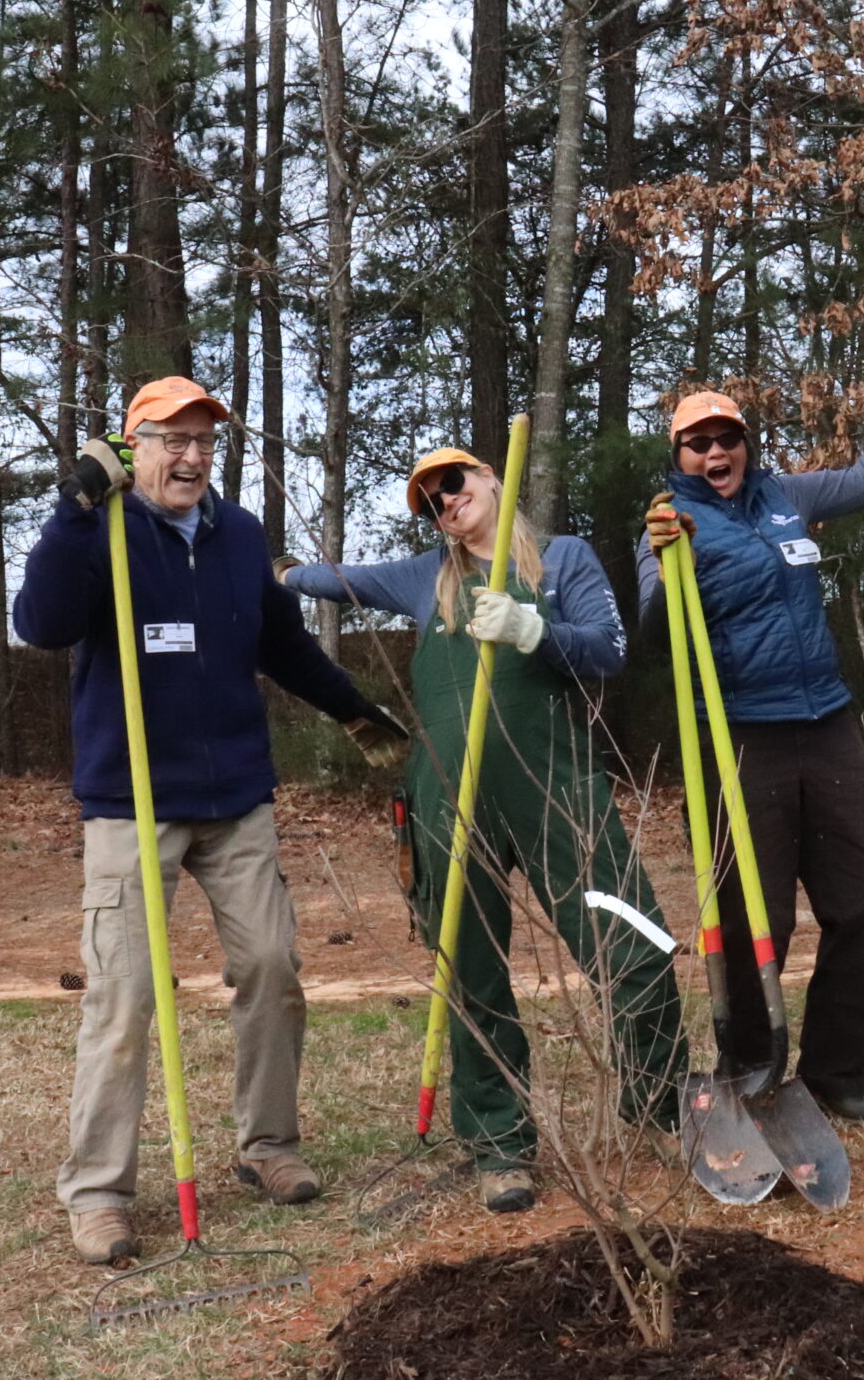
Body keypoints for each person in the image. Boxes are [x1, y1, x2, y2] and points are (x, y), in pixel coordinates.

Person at [14, 375, 409, 1267]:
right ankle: (100, 1192)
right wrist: (76, 506)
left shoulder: (238, 537)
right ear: (132, 446)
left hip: (235, 797)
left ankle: (268, 1147)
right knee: (124, 994)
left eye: (203, 440)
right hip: (132, 797)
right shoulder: (103, 528)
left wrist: (349, 709)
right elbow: (40, 623)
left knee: (272, 964)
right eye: (170, 439)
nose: (190, 456)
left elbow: (281, 641)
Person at [281, 446, 684, 1216]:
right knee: (472, 975)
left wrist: (535, 628)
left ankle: (657, 1110)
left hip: (558, 788)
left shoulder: (562, 557)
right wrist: (282, 574)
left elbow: (610, 647)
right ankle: (500, 1143)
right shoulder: (423, 578)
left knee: (634, 944)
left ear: (492, 479)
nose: (445, 502)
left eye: (454, 484)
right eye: (430, 501)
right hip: (447, 799)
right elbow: (343, 579)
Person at [638, 378, 864, 1122]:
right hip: (738, 733)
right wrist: (665, 560)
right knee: (751, 914)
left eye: (726, 437)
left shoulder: (786, 495)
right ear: (679, 456)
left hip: (825, 721)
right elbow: (647, 617)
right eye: (697, 443)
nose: (715, 451)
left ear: (744, 443)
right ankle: (750, 1071)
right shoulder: (672, 523)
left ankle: (835, 1073)